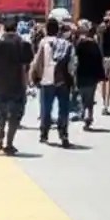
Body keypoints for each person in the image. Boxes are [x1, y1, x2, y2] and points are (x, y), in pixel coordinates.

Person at [0, 19, 32, 154]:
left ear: (4, 29)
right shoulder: (23, 44)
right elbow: (28, 61)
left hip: (0, 85)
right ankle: (9, 143)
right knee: (15, 116)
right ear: (16, 28)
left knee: (1, 114)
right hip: (17, 85)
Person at [30, 17, 77, 148]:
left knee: (46, 108)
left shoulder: (43, 43)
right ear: (58, 30)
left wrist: (34, 78)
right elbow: (72, 64)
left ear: (46, 29)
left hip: (46, 81)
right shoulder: (66, 44)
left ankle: (44, 134)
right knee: (63, 109)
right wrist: (72, 80)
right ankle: (63, 134)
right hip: (62, 81)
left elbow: (37, 62)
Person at [73, 20, 105, 130]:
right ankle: (89, 115)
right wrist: (101, 75)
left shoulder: (78, 44)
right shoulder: (94, 44)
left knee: (82, 97)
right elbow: (99, 60)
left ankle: (85, 113)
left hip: (81, 73)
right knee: (90, 98)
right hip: (92, 75)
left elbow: (75, 59)